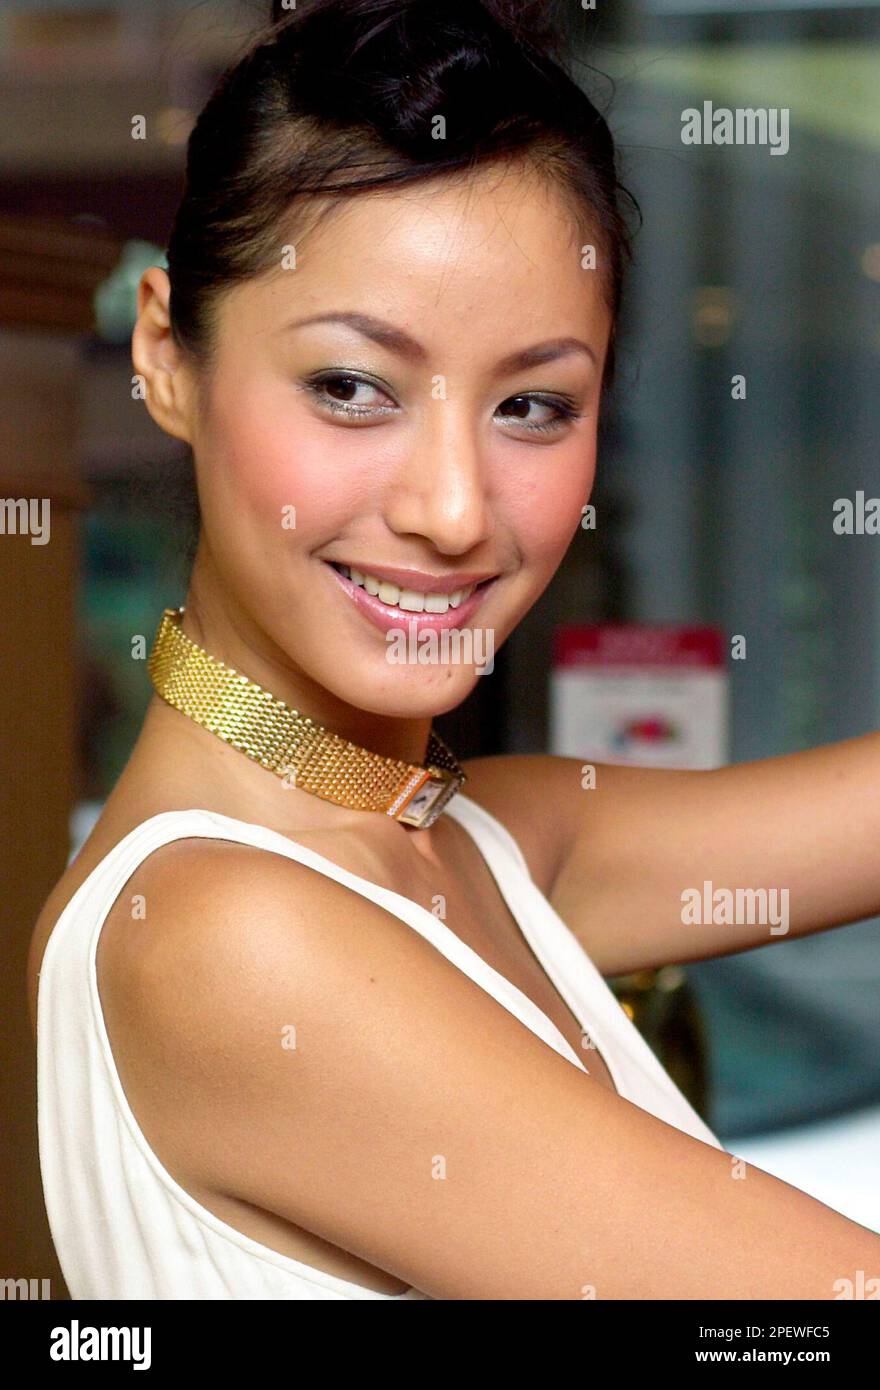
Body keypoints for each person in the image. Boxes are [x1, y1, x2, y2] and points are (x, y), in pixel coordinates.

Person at [28, 0, 880, 1300]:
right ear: (166, 354)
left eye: (533, 404)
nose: (455, 509)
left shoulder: (467, 840)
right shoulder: (225, 941)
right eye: (352, 386)